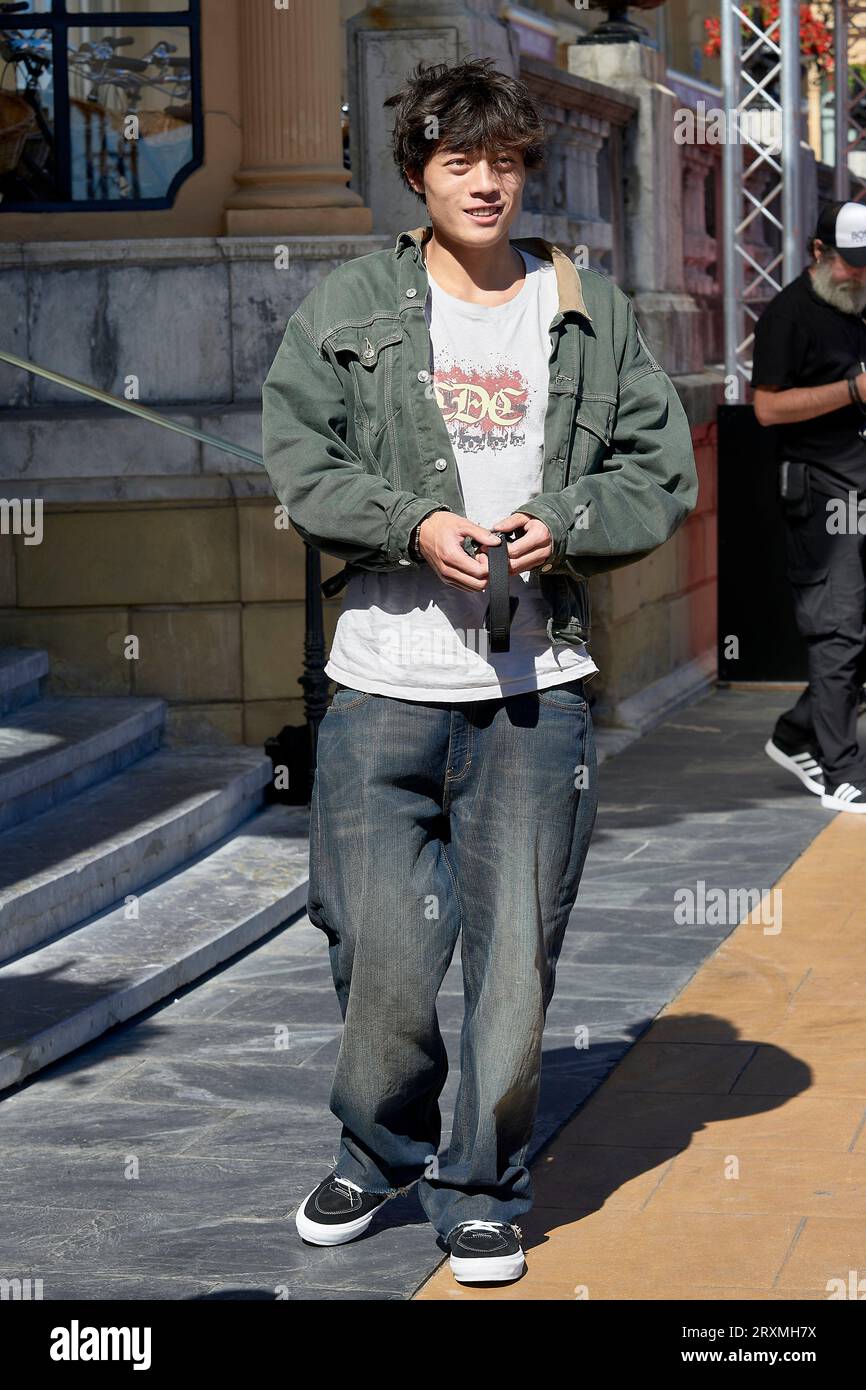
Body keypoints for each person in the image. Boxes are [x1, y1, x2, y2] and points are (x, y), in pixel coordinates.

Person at [261, 56, 697, 1285]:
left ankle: (481, 1182)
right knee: (378, 945)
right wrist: (413, 525)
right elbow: (301, 458)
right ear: (418, 174)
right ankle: (381, 1140)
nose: (485, 182)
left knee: (515, 956)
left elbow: (655, 472)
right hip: (382, 680)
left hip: (531, 687)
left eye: (505, 161)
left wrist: (566, 516)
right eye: (460, 160)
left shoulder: (584, 305)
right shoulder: (349, 302)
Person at [753, 200, 866, 814]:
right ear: (819, 253)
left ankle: (799, 731)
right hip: (823, 493)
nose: (860, 276)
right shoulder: (787, 316)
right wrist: (852, 390)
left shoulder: (861, 302)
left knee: (858, 636)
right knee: (838, 629)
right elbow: (768, 408)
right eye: (851, 265)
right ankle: (841, 768)